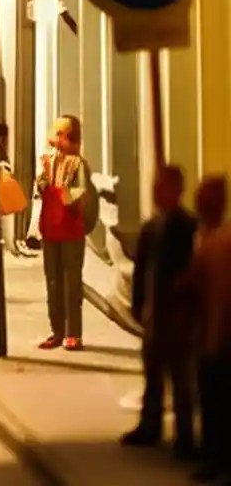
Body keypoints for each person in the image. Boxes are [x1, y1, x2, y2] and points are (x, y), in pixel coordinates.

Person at [122, 165, 198, 459]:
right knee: (153, 371)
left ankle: (185, 436)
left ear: (177, 191)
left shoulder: (186, 225)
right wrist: (139, 305)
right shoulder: (151, 227)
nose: (156, 191)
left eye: (162, 186)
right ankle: (150, 426)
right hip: (155, 313)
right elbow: (142, 271)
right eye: (155, 185)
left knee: (180, 376)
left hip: (176, 314)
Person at [28, 115, 94, 351]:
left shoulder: (77, 164)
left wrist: (60, 192)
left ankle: (73, 332)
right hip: (51, 229)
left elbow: (79, 195)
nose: (54, 139)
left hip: (70, 230)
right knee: (53, 281)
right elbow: (40, 189)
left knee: (70, 282)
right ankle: (56, 329)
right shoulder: (49, 161)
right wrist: (43, 181)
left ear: (70, 139)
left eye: (59, 134)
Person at [189, 176, 229, 481]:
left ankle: (218, 457)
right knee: (212, 399)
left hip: (218, 337)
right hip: (210, 334)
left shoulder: (219, 243)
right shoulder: (207, 237)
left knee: (217, 399)